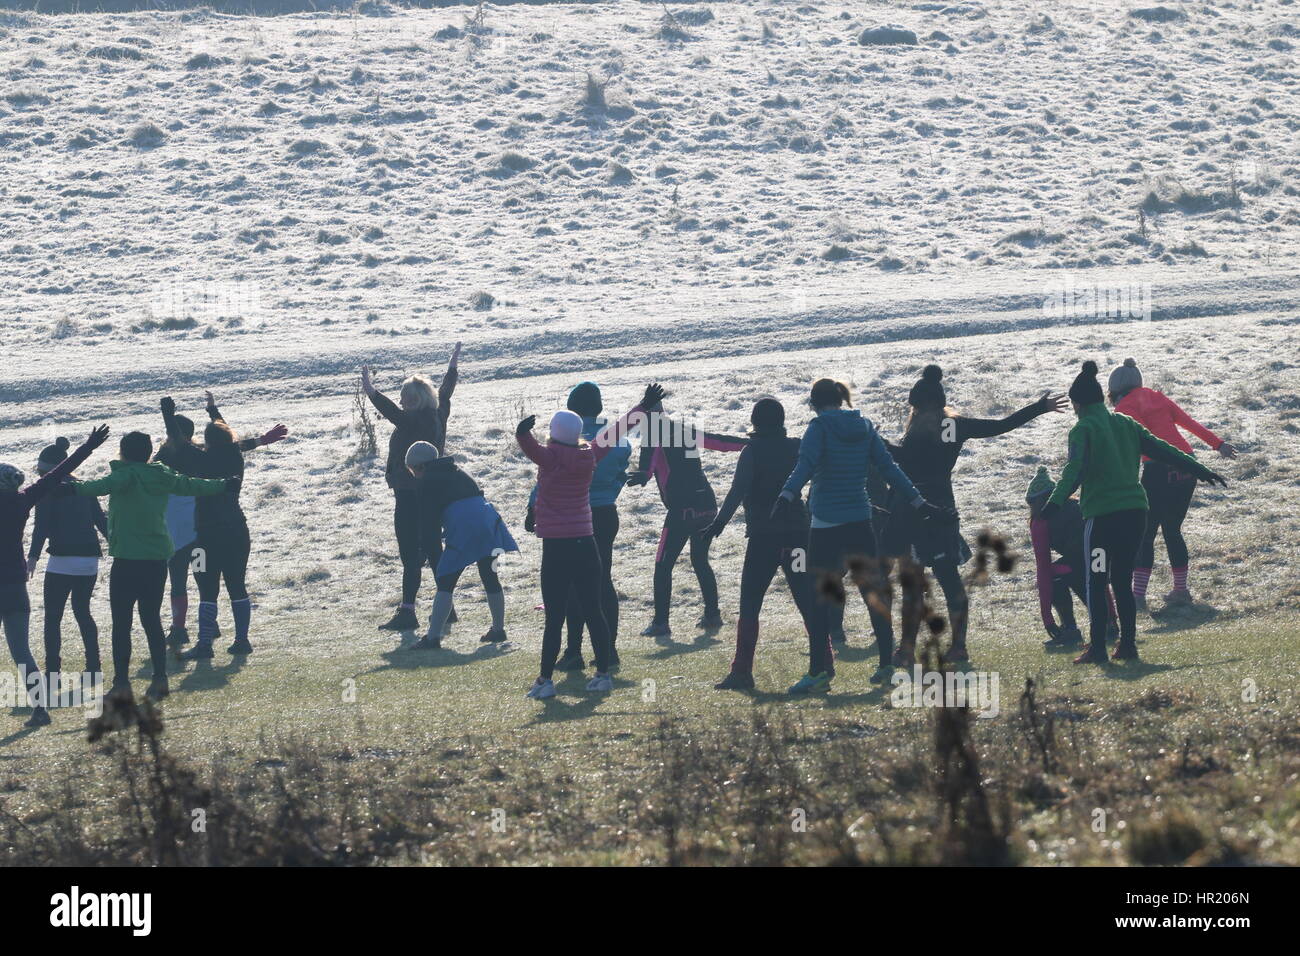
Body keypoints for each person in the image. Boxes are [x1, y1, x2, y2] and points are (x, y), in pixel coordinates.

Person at [878, 365, 1067, 665]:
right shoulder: (955, 426)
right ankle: (957, 646)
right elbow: (1000, 426)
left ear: (917, 405)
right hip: (942, 510)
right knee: (948, 579)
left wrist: (883, 446)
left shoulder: (917, 430)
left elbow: (907, 463)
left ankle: (906, 650)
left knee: (914, 581)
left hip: (913, 511)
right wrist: (1039, 408)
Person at [1042, 361, 1228, 664]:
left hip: (1102, 517)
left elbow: (1073, 471)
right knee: (1121, 580)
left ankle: (1098, 649)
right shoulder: (1126, 424)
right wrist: (1200, 469)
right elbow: (1165, 450)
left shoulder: (1082, 428)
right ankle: (1128, 646)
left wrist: (1052, 505)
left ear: (1076, 403)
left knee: (1096, 579)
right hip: (1134, 514)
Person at [775, 379, 949, 692]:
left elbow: (805, 465)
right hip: (861, 522)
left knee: (819, 600)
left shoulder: (818, 428)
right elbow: (891, 470)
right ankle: (885, 665)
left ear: (814, 403)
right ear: (840, 400)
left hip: (826, 526)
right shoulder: (865, 427)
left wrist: (786, 495)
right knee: (874, 595)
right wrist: (920, 502)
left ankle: (818, 673)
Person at [517, 383, 664, 699]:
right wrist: (643, 406)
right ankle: (606, 659)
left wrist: (523, 433)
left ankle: (560, 664)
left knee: (559, 604)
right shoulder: (596, 451)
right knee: (598, 592)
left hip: (559, 537)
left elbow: (534, 456)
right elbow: (617, 434)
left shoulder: (551, 456)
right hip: (597, 522)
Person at [66, 429, 234, 700]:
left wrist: (69, 487)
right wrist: (224, 484)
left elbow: (93, 488)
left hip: (126, 561)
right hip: (156, 560)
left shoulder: (122, 476)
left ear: (122, 451)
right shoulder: (161, 475)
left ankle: (121, 683)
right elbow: (193, 485)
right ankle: (160, 679)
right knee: (151, 620)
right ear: (147, 452)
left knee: (121, 624)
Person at [702, 398, 819, 691]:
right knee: (807, 601)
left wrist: (717, 526)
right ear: (781, 421)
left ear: (755, 423)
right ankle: (823, 664)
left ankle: (742, 672)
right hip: (797, 536)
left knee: (750, 604)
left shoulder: (751, 452)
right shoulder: (797, 447)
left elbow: (737, 491)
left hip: (764, 540)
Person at [160, 393, 284, 661]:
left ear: (207, 442)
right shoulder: (235, 455)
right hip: (237, 532)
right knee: (237, 586)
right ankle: (242, 640)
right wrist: (213, 411)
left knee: (206, 589)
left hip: (203, 536)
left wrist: (168, 414)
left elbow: (178, 441)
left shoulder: (200, 460)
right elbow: (230, 437)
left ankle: (204, 645)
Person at [1107, 358, 1238, 610]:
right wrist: (1218, 444)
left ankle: (1138, 597)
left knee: (1145, 534)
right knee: (1172, 530)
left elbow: (1132, 447)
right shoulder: (1157, 397)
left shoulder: (1123, 408)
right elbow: (1188, 422)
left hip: (1159, 469)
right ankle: (1180, 591)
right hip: (1187, 465)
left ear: (1114, 389)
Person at [1, 426, 109, 727]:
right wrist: (88, 447)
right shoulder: (23, 500)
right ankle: (40, 709)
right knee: (22, 652)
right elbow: (61, 471)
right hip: (15, 587)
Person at [625, 397, 747, 638]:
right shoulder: (682, 429)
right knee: (700, 561)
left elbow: (647, 467)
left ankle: (660, 623)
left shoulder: (653, 435)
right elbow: (720, 442)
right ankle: (712, 615)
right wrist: (749, 443)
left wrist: (641, 475)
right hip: (707, 506)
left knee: (662, 565)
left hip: (683, 511)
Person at [362, 342, 461, 633]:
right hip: (433, 495)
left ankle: (408, 612)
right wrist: (452, 365)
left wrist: (371, 391)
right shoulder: (438, 413)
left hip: (409, 495)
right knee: (433, 550)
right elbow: (446, 389)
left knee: (410, 556)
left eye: (406, 397)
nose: (402, 401)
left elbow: (392, 412)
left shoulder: (413, 421)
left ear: (417, 400)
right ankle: (448, 608)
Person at [547, 383, 633, 671]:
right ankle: (609, 648)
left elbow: (550, 474)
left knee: (572, 583)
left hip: (573, 514)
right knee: (602, 580)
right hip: (606, 512)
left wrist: (534, 508)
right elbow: (622, 473)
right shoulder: (617, 440)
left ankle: (573, 651)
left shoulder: (567, 437)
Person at [405, 442, 517, 650]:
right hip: (489, 524)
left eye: (412, 470)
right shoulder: (459, 472)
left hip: (464, 530)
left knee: (446, 582)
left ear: (420, 467)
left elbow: (429, 525)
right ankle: (498, 629)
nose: (413, 475)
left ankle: (432, 638)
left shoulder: (426, 482)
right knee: (490, 575)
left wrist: (428, 553)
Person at [25, 437, 109, 699]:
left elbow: (41, 527)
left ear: (47, 469)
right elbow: (100, 520)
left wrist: (33, 557)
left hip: (61, 559)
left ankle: (53, 674)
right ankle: (93, 667)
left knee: (53, 617)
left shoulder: (47, 491)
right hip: (88, 560)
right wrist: (116, 545)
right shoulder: (83, 486)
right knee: (83, 612)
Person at [1025, 466, 1118, 650]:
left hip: (1084, 559)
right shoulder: (1078, 505)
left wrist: (1047, 619)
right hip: (1104, 552)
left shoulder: (1041, 521)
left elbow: (1043, 570)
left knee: (1056, 574)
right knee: (1093, 577)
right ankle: (1109, 623)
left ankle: (1070, 628)